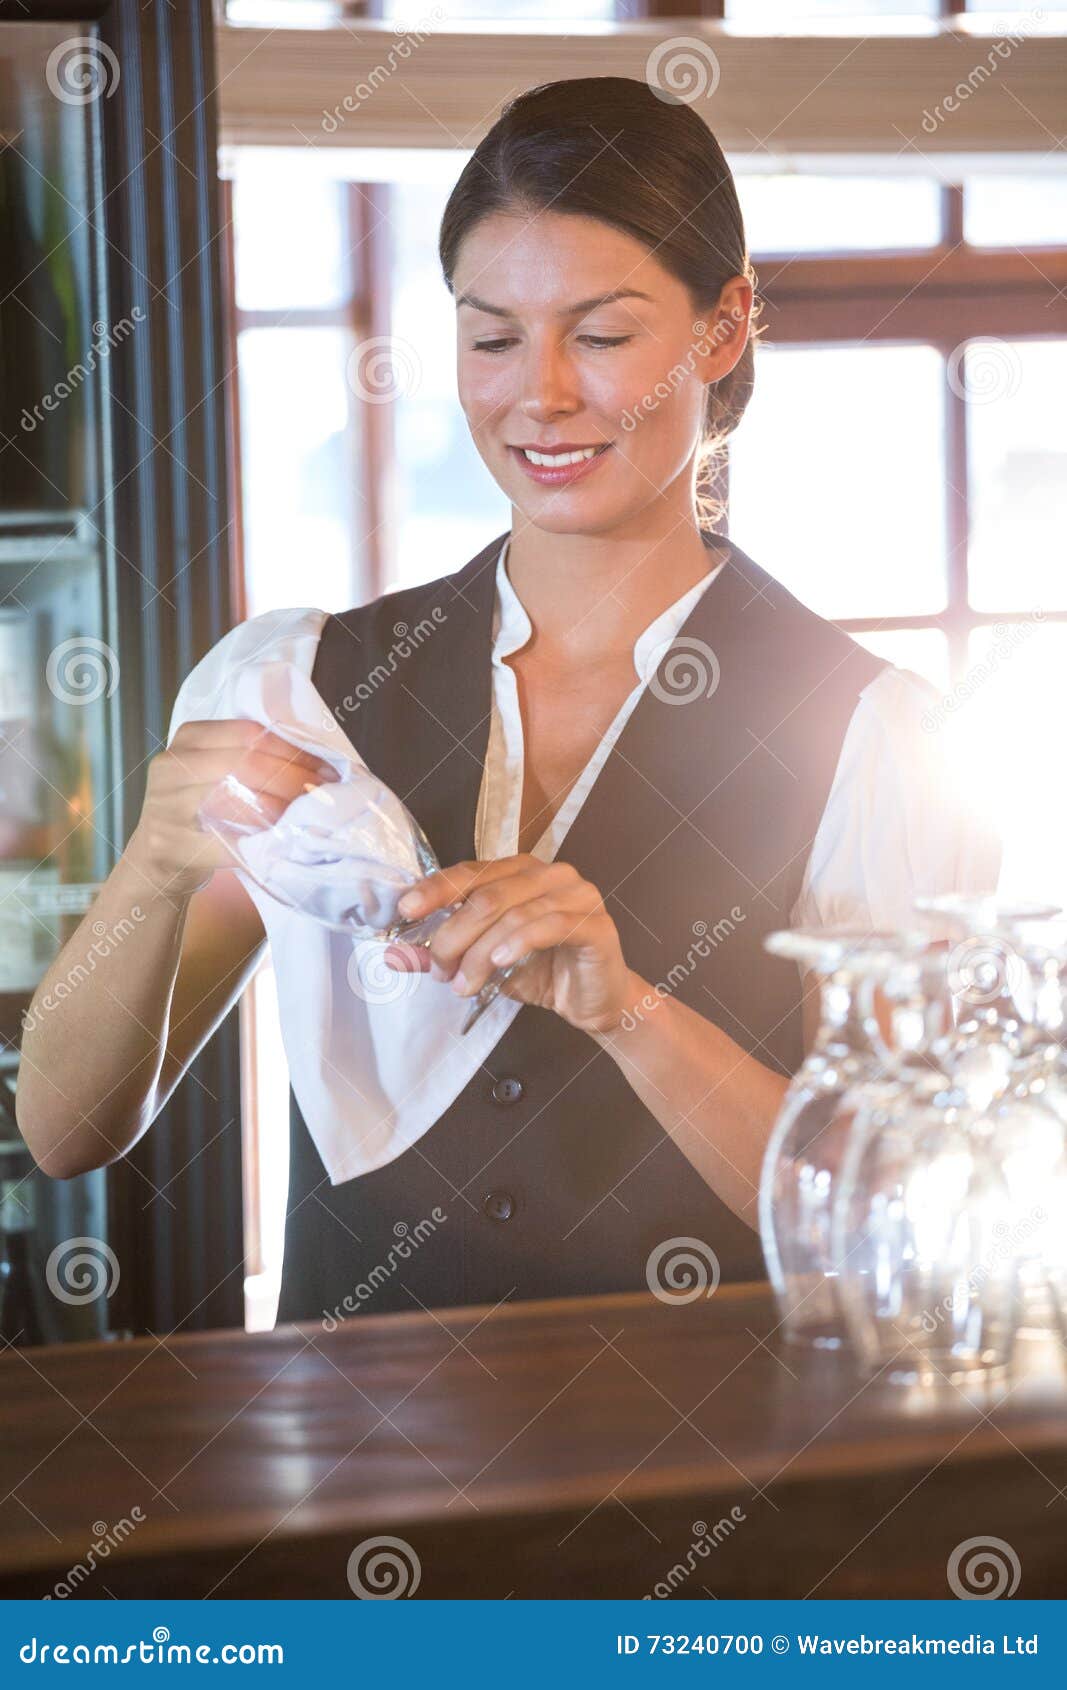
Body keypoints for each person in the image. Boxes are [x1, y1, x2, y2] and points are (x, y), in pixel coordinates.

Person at [17, 77, 998, 1323]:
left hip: (722, 1478)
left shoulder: (873, 736)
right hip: (347, 1472)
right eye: (491, 337)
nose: (537, 393)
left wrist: (629, 1009)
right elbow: (63, 1132)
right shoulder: (300, 686)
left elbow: (892, 1218)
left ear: (723, 328)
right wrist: (148, 879)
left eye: (599, 335)